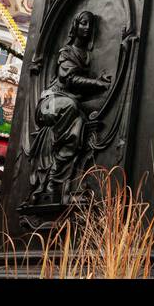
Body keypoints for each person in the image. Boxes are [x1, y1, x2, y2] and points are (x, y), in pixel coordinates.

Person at [26, 11, 110, 205]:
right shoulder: (66, 52)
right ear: (75, 26)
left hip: (68, 104)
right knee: (72, 106)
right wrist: (97, 83)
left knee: (79, 126)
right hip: (51, 102)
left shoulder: (86, 56)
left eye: (89, 25)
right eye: (83, 23)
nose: (86, 28)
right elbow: (68, 79)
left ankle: (54, 181)